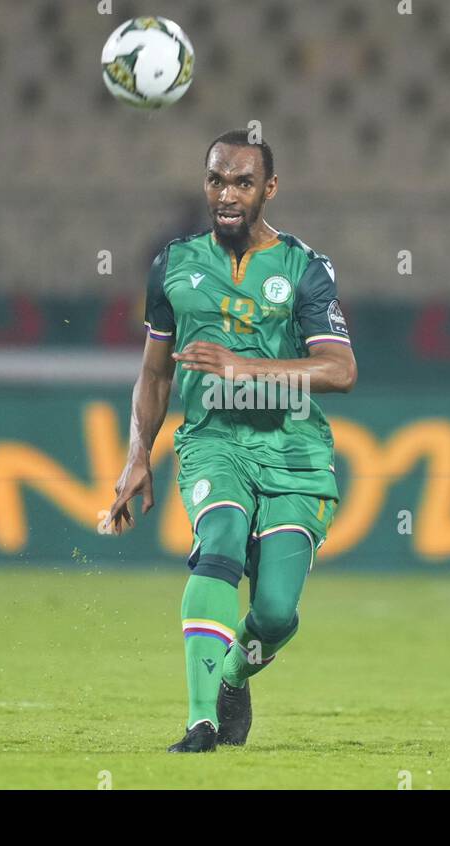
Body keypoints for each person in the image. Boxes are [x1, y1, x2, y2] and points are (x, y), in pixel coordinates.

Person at [103, 130, 357, 752]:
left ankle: (236, 674)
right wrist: (137, 455)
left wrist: (246, 369)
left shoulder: (304, 268)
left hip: (294, 452)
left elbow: (339, 369)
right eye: (217, 180)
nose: (227, 194)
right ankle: (199, 723)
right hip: (214, 440)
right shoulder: (173, 265)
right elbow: (155, 373)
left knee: (273, 613)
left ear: (269, 189)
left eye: (243, 182)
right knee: (216, 546)